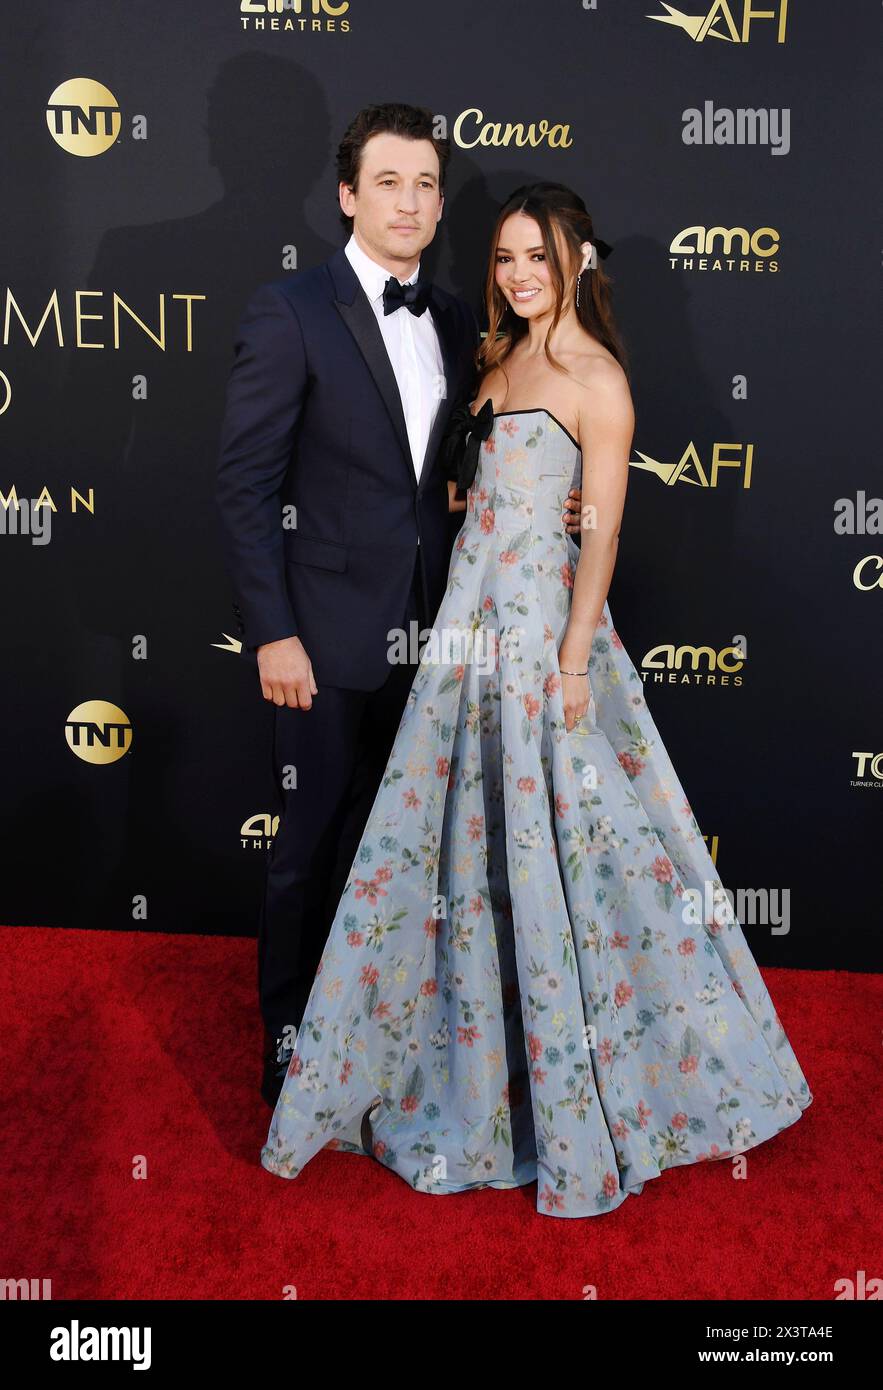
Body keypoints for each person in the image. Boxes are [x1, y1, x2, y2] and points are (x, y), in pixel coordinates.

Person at [260, 181, 812, 1218]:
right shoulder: (494, 358)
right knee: (456, 846)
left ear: (578, 265)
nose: (517, 275)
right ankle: (468, 1053)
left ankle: (602, 1078)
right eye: (506, 258)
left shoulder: (597, 378)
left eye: (539, 260)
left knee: (576, 849)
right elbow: (466, 493)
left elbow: (598, 532)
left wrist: (567, 661)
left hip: (541, 637)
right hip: (465, 628)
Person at [215, 110, 583, 1106]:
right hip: (324, 640)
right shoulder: (289, 311)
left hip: (442, 636)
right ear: (348, 195)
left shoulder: (464, 318)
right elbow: (244, 488)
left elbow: (476, 466)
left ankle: (378, 1031)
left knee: (408, 851)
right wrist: (274, 632)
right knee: (307, 850)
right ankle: (290, 1042)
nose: (411, 202)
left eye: (425, 183)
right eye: (388, 183)